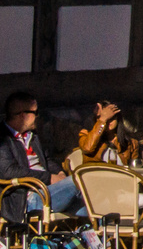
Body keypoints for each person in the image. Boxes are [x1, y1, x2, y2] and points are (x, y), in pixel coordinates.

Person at [0, 92, 83, 222]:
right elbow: (8, 171)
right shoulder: (3, 138)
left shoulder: (32, 136)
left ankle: (101, 238)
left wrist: (59, 173)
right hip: (27, 199)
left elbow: (47, 160)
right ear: (23, 115)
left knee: (93, 204)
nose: (38, 116)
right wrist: (49, 178)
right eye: (36, 112)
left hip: (48, 191)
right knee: (82, 180)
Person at [78, 101, 141, 166]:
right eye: (105, 117)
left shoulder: (132, 144)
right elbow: (87, 149)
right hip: (94, 175)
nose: (108, 121)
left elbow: (134, 169)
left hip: (119, 175)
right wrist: (102, 120)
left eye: (112, 118)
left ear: (118, 119)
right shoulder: (85, 134)